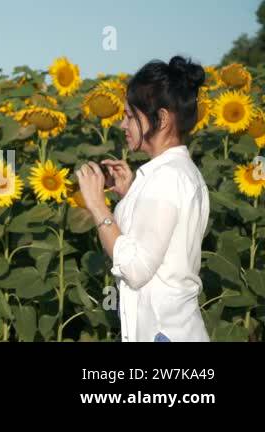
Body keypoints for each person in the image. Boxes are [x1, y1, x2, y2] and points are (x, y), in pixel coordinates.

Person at [76, 55, 210, 342]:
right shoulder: (180, 172)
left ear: (160, 119)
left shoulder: (166, 179)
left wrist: (97, 205)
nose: (123, 125)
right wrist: (129, 196)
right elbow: (157, 244)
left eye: (130, 116)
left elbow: (136, 270)